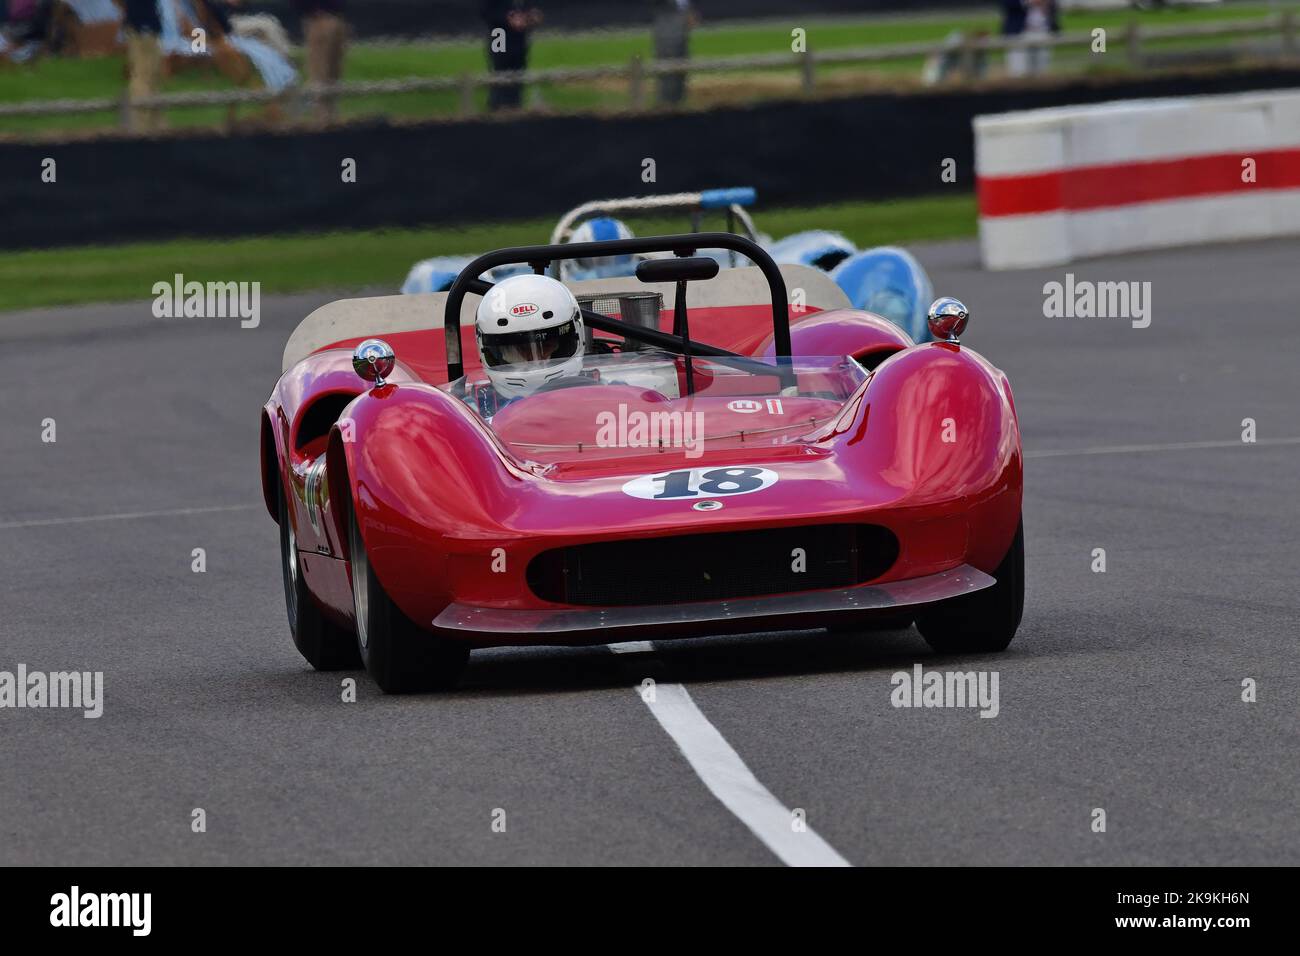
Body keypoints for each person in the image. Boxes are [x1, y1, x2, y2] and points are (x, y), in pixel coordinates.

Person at [470, 274, 586, 418]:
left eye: (546, 344)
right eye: (519, 349)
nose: (535, 359)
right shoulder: (470, 410)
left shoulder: (601, 389)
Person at [481, 0, 541, 112]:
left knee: (518, 73)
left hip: (518, 40)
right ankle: (498, 108)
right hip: (499, 34)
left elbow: (528, 9)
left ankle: (514, 106)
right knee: (500, 72)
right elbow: (487, 12)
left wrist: (531, 15)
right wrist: (508, 19)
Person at [293, 0, 347, 122]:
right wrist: (312, 10)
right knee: (319, 75)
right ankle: (320, 118)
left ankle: (331, 116)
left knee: (334, 74)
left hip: (337, 17)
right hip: (318, 18)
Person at [122, 0, 163, 132]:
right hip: (143, 27)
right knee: (142, 76)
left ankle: (155, 122)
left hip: (142, 25)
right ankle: (141, 124)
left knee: (152, 76)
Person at [652, 0, 696, 106]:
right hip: (667, 29)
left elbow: (684, 5)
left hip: (680, 30)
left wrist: (688, 12)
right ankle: (666, 104)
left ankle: (678, 104)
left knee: (681, 68)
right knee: (667, 70)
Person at [1002, 0, 1058, 78]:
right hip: (1019, 33)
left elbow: (1054, 5)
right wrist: (1030, 1)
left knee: (1041, 72)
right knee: (1018, 72)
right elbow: (1006, 3)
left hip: (1043, 31)